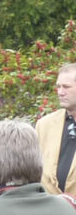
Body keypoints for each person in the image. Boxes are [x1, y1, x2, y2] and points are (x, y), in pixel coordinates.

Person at [36, 63, 76, 198]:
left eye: (66, 87)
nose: (60, 92)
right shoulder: (44, 125)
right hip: (48, 212)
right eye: (58, 87)